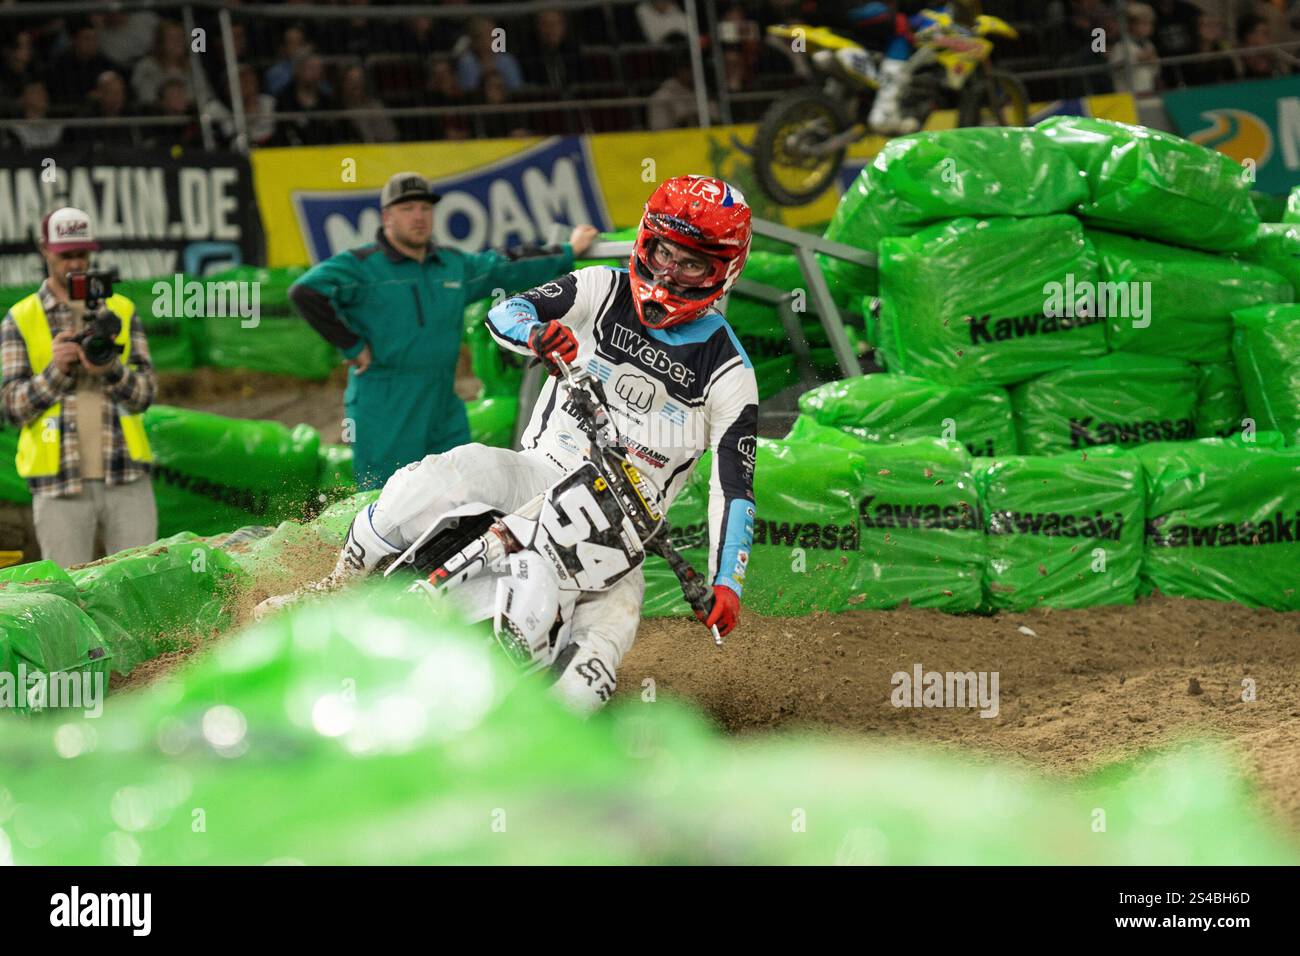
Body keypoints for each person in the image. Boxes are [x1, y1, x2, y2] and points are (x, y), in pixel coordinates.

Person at [274, 175, 758, 715]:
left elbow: (734, 485)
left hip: (621, 543)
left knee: (587, 686)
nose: (668, 273)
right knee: (437, 476)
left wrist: (727, 580)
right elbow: (507, 311)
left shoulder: (731, 370)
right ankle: (335, 586)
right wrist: (535, 336)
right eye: (664, 252)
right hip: (538, 470)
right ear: (646, 240)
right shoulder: (602, 286)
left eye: (690, 264)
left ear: (724, 270)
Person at [288, 171, 599, 490]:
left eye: (425, 208)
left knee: (460, 487)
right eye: (407, 209)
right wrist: (350, 346)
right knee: (385, 496)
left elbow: (503, 265)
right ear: (387, 217)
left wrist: (567, 251)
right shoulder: (361, 265)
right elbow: (305, 292)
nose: (419, 216)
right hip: (385, 403)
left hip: (443, 401)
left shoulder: (451, 264)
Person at [0, 207, 158, 568]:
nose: (75, 264)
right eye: (65, 255)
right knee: (69, 592)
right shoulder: (21, 318)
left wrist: (111, 368)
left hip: (125, 474)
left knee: (138, 582)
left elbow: (145, 395)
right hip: (58, 484)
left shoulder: (120, 309)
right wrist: (56, 370)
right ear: (45, 251)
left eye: (81, 254)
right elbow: (11, 407)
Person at [1109, 2, 1160, 93]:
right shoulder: (1120, 47)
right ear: (1131, 25)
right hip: (1127, 95)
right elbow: (1117, 71)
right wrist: (1137, 58)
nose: (1149, 27)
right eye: (1144, 24)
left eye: (1150, 24)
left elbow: (1155, 71)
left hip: (1148, 92)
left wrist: (1153, 61)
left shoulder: (1149, 45)